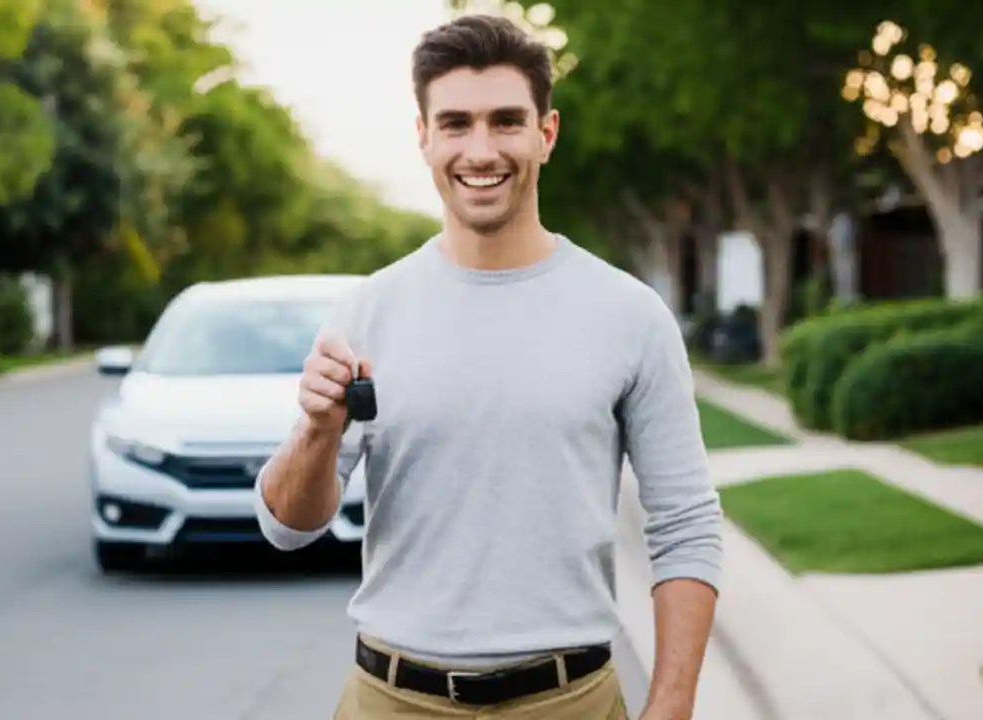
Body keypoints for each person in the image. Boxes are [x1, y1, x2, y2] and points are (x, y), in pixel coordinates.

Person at [254, 13, 723, 719]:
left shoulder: (629, 314)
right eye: (456, 124)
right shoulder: (367, 311)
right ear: (423, 138)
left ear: (547, 133)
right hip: (392, 700)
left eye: (507, 121)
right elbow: (288, 527)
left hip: (572, 701)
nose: (481, 150)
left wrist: (672, 704)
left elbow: (685, 523)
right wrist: (317, 432)